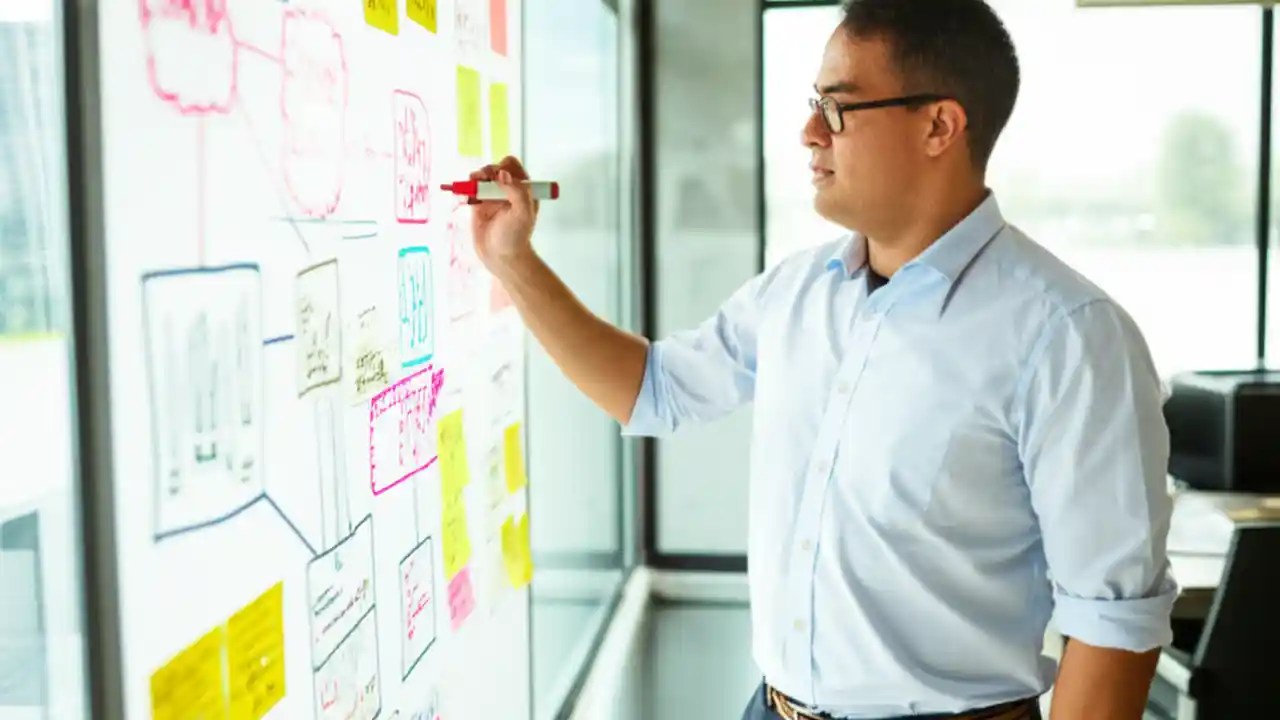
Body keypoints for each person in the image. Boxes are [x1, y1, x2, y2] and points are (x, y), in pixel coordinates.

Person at [468, 0, 1176, 717]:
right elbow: (653, 392)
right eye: (814, 105)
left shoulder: (1070, 335)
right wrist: (513, 260)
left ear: (939, 125)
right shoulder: (798, 293)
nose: (809, 134)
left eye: (836, 110)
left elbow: (1112, 623)